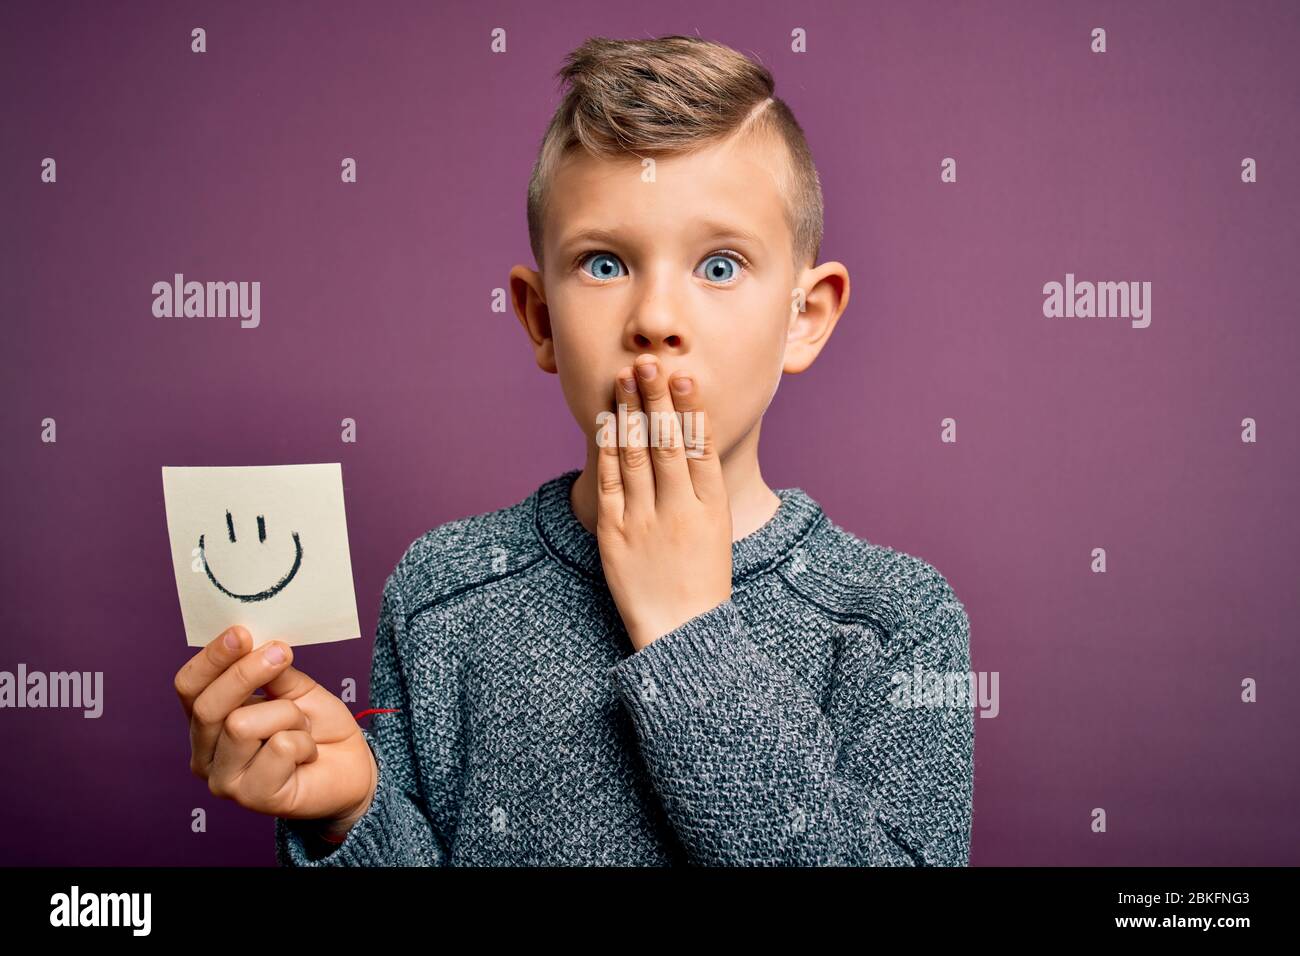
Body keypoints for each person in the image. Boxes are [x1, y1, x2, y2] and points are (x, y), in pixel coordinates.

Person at [174, 34, 974, 866]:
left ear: (804, 318)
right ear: (540, 318)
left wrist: (687, 630)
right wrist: (352, 815)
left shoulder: (897, 620)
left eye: (721, 265)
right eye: (603, 262)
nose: (655, 318)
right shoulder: (443, 594)